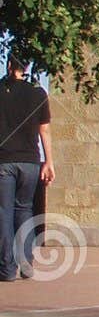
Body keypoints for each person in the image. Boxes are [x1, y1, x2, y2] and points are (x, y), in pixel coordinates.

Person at [0, 55, 54, 281]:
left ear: (9, 65)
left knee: (4, 213)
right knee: (24, 210)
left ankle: (7, 268)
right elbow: (45, 131)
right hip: (31, 161)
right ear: (28, 67)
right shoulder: (38, 93)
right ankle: (26, 263)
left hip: (4, 161)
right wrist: (49, 161)